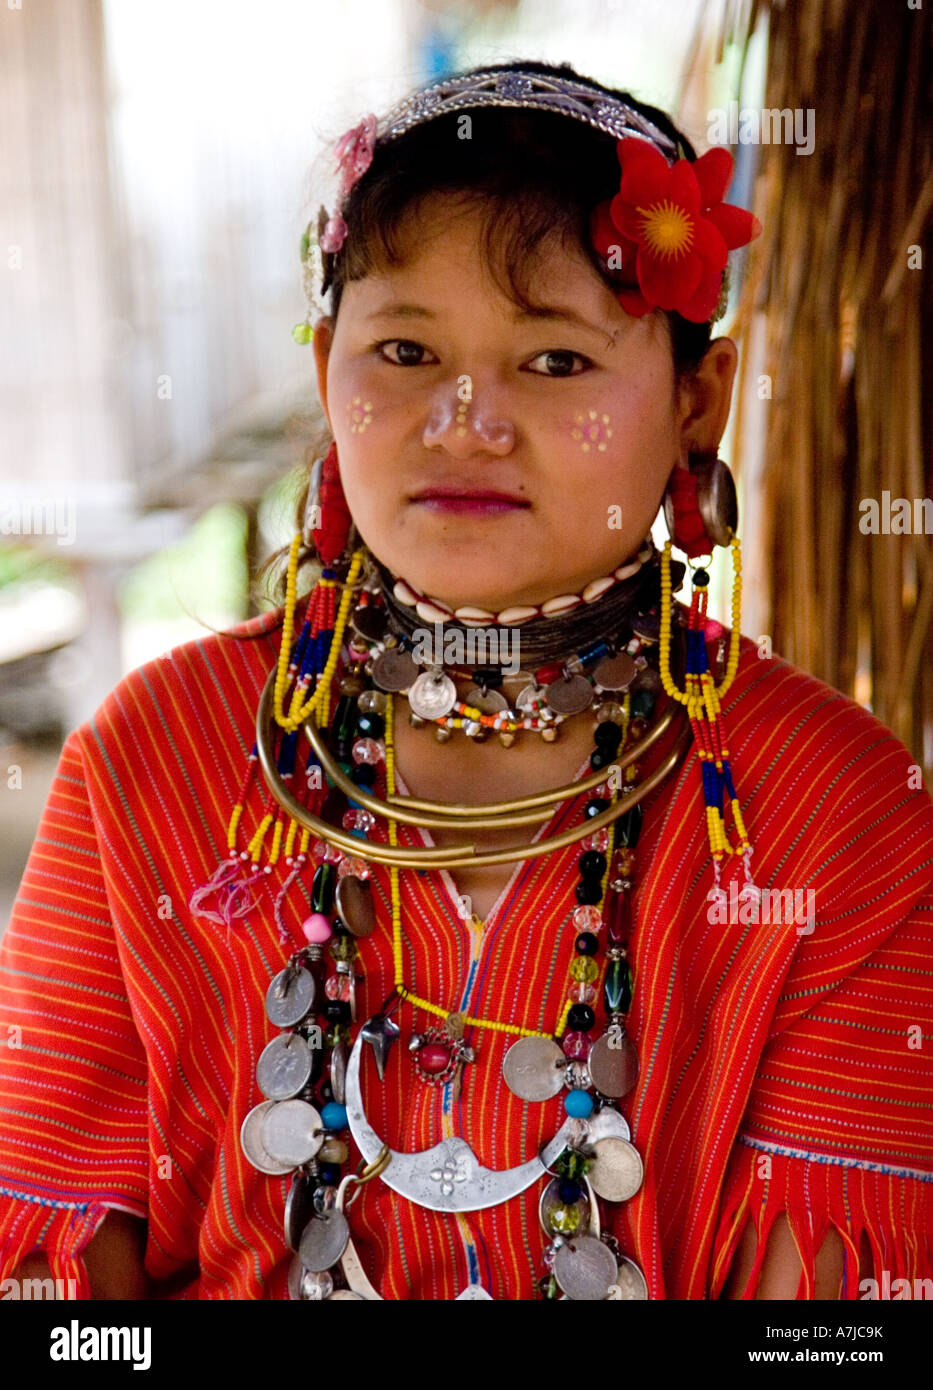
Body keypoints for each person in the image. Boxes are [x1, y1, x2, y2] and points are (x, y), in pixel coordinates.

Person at [1, 59, 931, 1303]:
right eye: (402, 348)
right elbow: (54, 1291)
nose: (463, 418)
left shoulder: (833, 811)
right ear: (329, 371)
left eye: (553, 361)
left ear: (696, 405)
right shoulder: (157, 757)